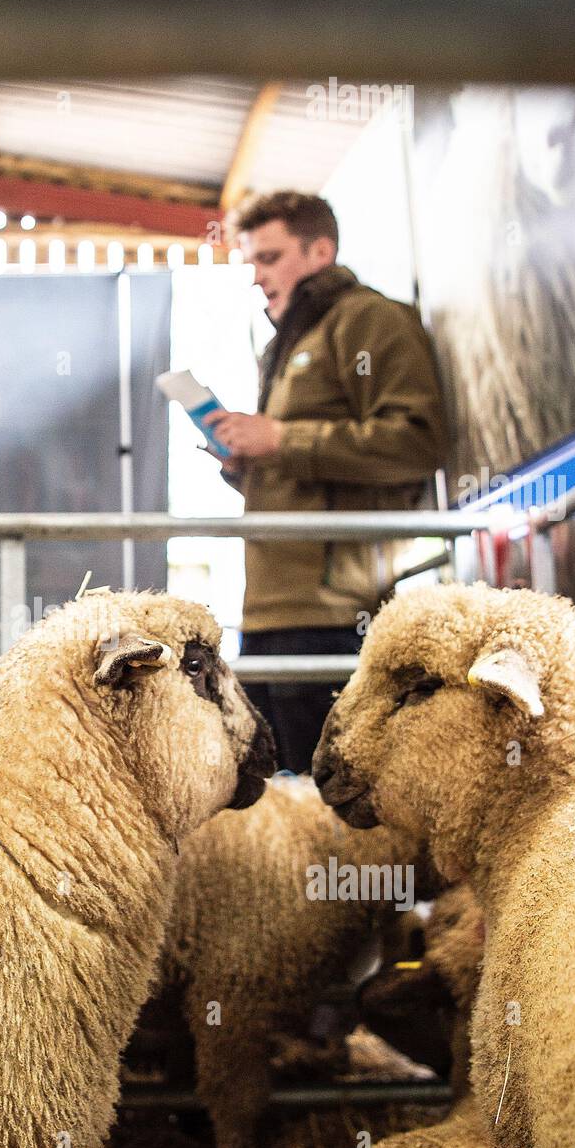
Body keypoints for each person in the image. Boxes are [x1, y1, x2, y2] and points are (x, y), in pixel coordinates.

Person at [206, 191, 448, 773]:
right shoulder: (286, 345)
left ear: (321, 249)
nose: (257, 276)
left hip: (335, 613)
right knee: (275, 801)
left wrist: (282, 440)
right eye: (251, 262)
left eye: (270, 257)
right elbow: (309, 468)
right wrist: (249, 466)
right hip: (269, 612)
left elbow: (416, 441)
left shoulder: (369, 320)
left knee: (333, 800)